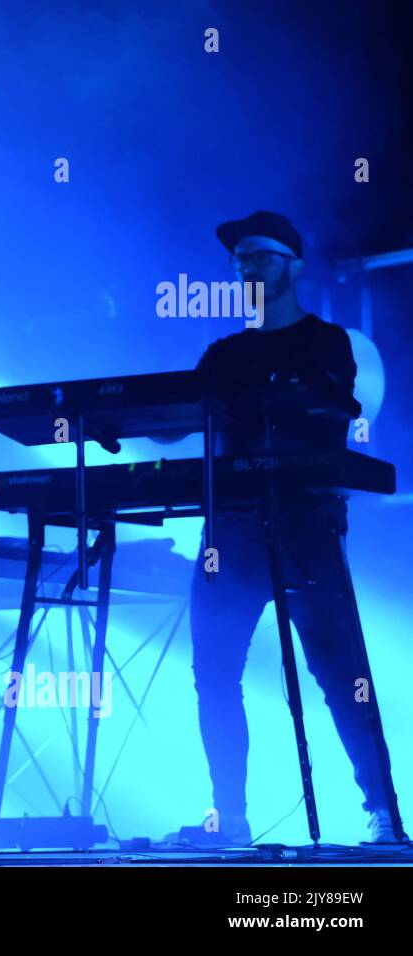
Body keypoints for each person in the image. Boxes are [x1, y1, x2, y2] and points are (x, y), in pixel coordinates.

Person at [171, 211, 405, 847]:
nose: (247, 267)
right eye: (240, 259)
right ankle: (231, 818)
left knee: (340, 673)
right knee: (214, 675)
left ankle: (385, 817)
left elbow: (327, 406)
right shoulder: (223, 355)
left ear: (294, 264)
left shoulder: (327, 344)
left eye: (261, 257)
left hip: (304, 525)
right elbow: (176, 413)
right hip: (230, 533)